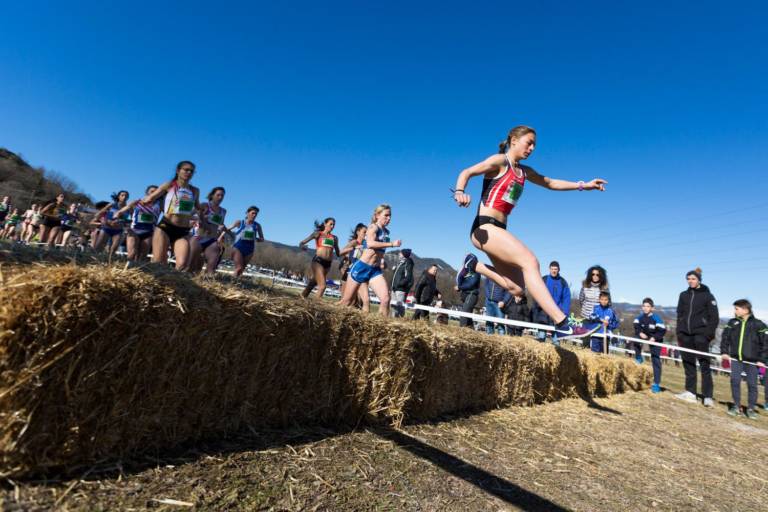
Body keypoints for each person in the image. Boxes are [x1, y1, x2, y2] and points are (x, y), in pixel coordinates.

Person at [453, 125, 606, 340]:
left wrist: (584, 185)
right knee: (530, 262)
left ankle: (473, 265)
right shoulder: (499, 162)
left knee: (516, 289)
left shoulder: (525, 172)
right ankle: (562, 323)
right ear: (514, 141)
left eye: (535, 145)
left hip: (499, 230)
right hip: (484, 227)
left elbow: (551, 183)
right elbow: (467, 172)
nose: (532, 148)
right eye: (529, 142)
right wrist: (460, 191)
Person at [340, 204, 401, 317]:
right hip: (361, 267)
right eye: (386, 215)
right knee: (347, 302)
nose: (389, 218)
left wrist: (382, 260)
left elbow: (381, 250)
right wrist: (392, 244)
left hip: (375, 270)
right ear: (377, 215)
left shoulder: (386, 232)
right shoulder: (373, 227)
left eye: (390, 216)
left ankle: (381, 329)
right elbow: (370, 243)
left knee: (385, 299)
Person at [674, 268, 719, 407]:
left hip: (701, 335)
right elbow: (679, 313)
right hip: (685, 335)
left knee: (704, 365)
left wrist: (707, 335)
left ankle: (707, 396)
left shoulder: (708, 296)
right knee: (688, 364)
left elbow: (714, 317)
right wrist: (679, 332)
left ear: (699, 279)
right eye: (688, 279)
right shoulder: (683, 295)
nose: (690, 281)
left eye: (693, 278)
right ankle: (691, 393)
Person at [144, 161, 201, 270]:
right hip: (166, 227)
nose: (189, 172)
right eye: (186, 169)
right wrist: (147, 200)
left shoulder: (195, 190)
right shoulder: (169, 185)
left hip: (182, 231)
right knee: (159, 263)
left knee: (182, 264)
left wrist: (202, 210)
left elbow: (197, 206)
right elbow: (152, 196)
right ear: (178, 170)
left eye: (192, 171)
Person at [720, 299, 767, 419]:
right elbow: (725, 338)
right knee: (735, 381)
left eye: (737, 309)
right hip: (736, 359)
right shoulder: (732, 322)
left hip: (752, 361)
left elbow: (766, 343)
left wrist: (762, 359)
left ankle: (751, 409)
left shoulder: (759, 324)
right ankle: (736, 406)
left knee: (752, 385)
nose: (734, 311)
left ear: (746, 310)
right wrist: (724, 352)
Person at [115, 185, 162, 263]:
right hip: (134, 231)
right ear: (147, 193)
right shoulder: (136, 202)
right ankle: (126, 271)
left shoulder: (160, 205)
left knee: (142, 257)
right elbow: (120, 212)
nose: (154, 193)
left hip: (149, 233)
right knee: (131, 254)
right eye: (152, 191)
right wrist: (118, 217)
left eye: (156, 192)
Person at [300, 218, 341, 299]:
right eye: (331, 224)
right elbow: (301, 243)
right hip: (318, 262)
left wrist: (347, 253)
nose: (332, 226)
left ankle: (301, 297)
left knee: (312, 283)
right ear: (325, 224)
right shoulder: (318, 234)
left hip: (327, 264)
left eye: (334, 225)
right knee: (322, 286)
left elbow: (338, 253)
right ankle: (315, 308)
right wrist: (303, 246)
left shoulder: (334, 238)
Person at [190, 187, 227, 275]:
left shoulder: (223, 211)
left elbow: (221, 224)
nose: (220, 197)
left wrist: (223, 229)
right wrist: (199, 218)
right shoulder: (204, 205)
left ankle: (207, 281)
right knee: (191, 267)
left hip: (212, 240)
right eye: (218, 195)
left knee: (211, 269)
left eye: (222, 195)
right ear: (212, 195)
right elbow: (189, 215)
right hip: (199, 237)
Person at [532, 261, 571, 343]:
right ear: (549, 269)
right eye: (552, 269)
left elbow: (566, 298)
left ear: (558, 270)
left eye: (555, 269)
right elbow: (537, 292)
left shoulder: (562, 282)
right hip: (544, 312)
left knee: (556, 340)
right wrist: (537, 307)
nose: (554, 271)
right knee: (541, 337)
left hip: (556, 313)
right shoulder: (544, 279)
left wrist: (564, 312)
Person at [633, 298, 666, 393]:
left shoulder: (656, 318)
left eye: (648, 306)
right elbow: (636, 325)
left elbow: (662, 331)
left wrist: (654, 338)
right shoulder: (639, 318)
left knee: (655, 360)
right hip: (645, 336)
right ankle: (638, 357)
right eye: (644, 306)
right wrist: (639, 333)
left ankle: (656, 384)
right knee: (635, 338)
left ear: (652, 308)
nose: (645, 308)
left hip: (656, 339)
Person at [339, 223, 371, 311]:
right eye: (364, 232)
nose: (366, 234)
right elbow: (340, 253)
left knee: (359, 301)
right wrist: (353, 249)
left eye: (367, 232)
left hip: (360, 274)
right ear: (358, 232)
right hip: (349, 274)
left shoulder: (367, 244)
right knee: (346, 302)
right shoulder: (354, 242)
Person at [226, 206, 264, 277]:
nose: (254, 215)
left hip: (249, 250)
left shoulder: (257, 226)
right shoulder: (240, 222)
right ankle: (231, 281)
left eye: (256, 214)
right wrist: (221, 236)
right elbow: (227, 229)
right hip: (238, 247)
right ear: (247, 213)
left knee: (241, 269)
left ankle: (235, 283)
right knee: (239, 268)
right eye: (253, 213)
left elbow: (262, 239)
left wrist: (256, 238)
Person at [92, 191, 130, 257]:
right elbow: (100, 213)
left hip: (118, 230)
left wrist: (125, 222)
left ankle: (108, 263)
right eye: (122, 195)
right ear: (119, 196)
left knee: (113, 249)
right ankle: (93, 259)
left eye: (126, 196)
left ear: (128, 198)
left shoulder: (128, 208)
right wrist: (101, 220)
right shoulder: (112, 205)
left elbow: (130, 220)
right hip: (107, 228)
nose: (124, 197)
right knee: (99, 247)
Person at [455, 255, 481, 328]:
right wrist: (460, 286)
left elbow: (470, 284)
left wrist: (459, 287)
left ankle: (462, 331)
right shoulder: (465, 271)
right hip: (465, 294)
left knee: (464, 314)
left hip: (472, 294)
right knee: (468, 315)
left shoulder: (476, 273)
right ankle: (471, 330)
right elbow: (461, 280)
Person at [391, 249, 415, 317]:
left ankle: (400, 321)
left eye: (400, 253)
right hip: (394, 288)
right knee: (393, 306)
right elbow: (399, 276)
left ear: (404, 255)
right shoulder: (400, 263)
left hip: (400, 289)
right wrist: (394, 270)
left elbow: (408, 277)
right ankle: (392, 320)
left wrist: (400, 284)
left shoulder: (407, 263)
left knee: (400, 307)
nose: (399, 254)